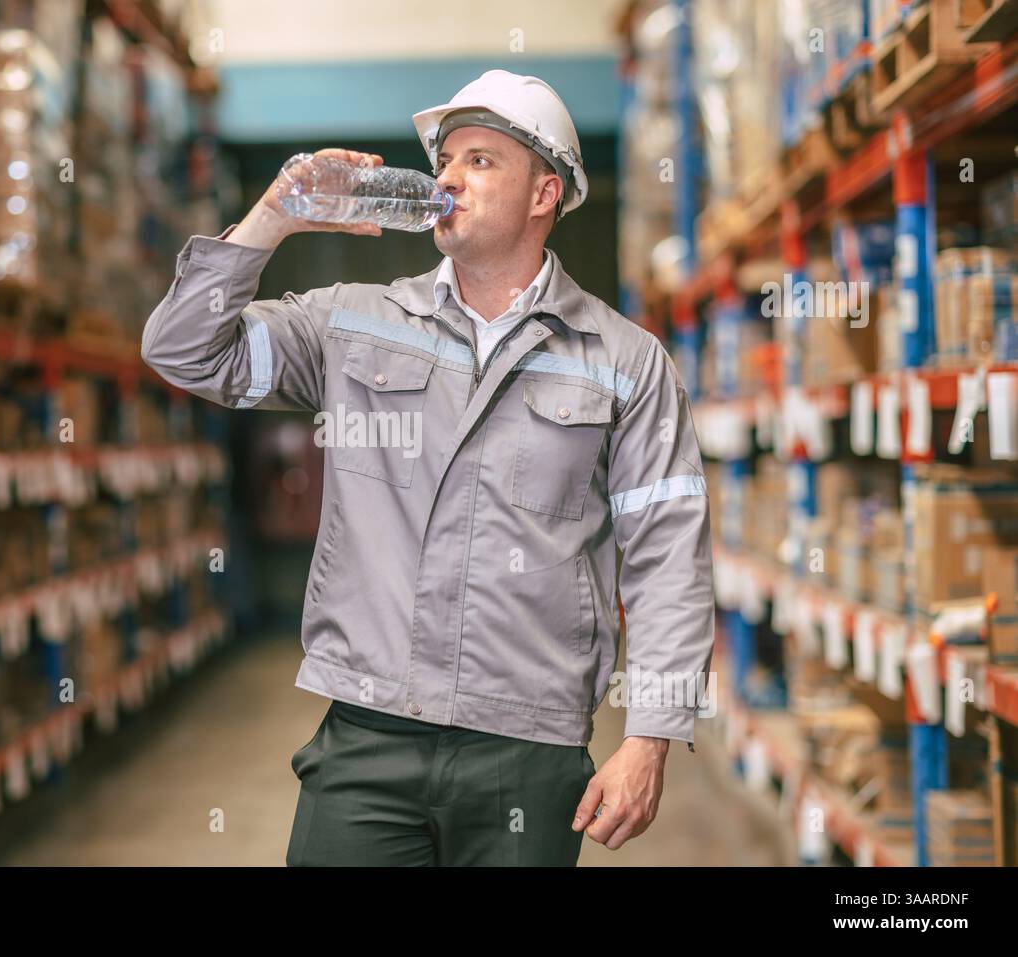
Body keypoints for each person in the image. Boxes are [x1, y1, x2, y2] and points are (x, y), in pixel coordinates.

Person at [142, 69, 715, 866]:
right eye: (444, 160)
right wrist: (274, 215)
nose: (448, 178)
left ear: (544, 193)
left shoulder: (624, 361)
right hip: (366, 740)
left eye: (480, 160)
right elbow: (184, 350)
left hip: (530, 749)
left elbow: (668, 554)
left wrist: (652, 735)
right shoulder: (355, 323)